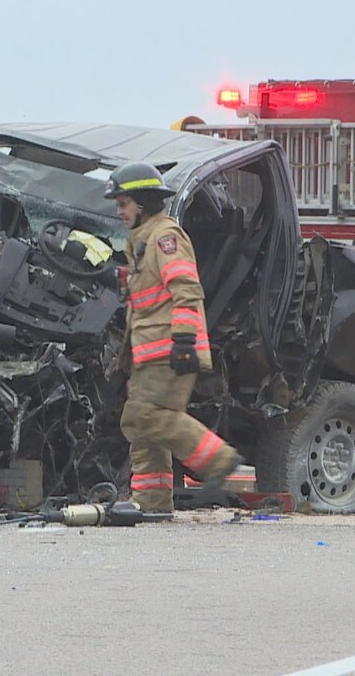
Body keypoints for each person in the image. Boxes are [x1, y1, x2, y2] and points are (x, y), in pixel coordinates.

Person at [106, 161, 242, 513]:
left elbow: (186, 289)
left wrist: (184, 341)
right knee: (144, 432)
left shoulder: (165, 238)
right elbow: (145, 306)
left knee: (143, 417)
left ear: (144, 202)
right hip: (149, 353)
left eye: (123, 204)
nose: (119, 212)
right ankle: (152, 505)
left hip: (169, 350)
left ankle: (219, 460)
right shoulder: (140, 242)